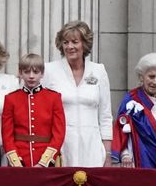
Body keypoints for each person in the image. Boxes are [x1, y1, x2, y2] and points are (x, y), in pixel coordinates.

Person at [42, 21, 113, 168]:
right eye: (65, 42)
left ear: (84, 44)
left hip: (92, 145)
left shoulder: (99, 70)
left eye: (75, 42)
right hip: (60, 145)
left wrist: (107, 154)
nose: (69, 47)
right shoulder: (49, 70)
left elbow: (105, 115)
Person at [2, 54, 65, 167]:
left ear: (42, 73)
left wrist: (44, 162)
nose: (31, 76)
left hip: (46, 159)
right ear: (20, 73)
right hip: (20, 159)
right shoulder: (10, 99)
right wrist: (16, 162)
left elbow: (59, 134)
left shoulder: (54, 98)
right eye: (26, 72)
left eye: (35, 72)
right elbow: (7, 135)